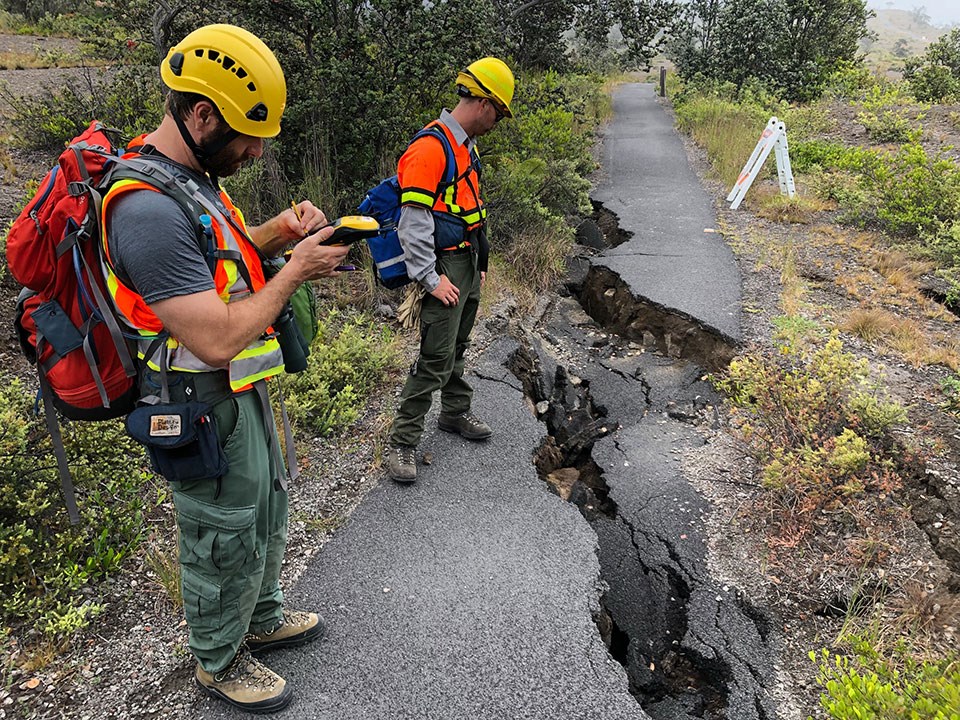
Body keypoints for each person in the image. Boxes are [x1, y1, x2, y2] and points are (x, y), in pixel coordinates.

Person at [101, 24, 349, 713]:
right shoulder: (146, 208)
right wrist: (296, 272)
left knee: (265, 509)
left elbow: (219, 258)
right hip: (198, 397)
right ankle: (217, 661)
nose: (257, 150)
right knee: (220, 534)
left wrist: (277, 233)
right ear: (202, 114)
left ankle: (261, 619)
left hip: (239, 394)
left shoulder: (191, 179)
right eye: (248, 134)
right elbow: (212, 337)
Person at [385, 57, 515, 482]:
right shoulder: (429, 148)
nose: (497, 120)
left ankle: (454, 413)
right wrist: (431, 278)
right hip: (442, 267)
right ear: (482, 102)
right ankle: (403, 442)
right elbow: (413, 222)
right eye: (498, 111)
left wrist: (479, 264)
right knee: (436, 355)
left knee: (458, 343)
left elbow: (466, 208)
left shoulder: (464, 146)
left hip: (466, 262)